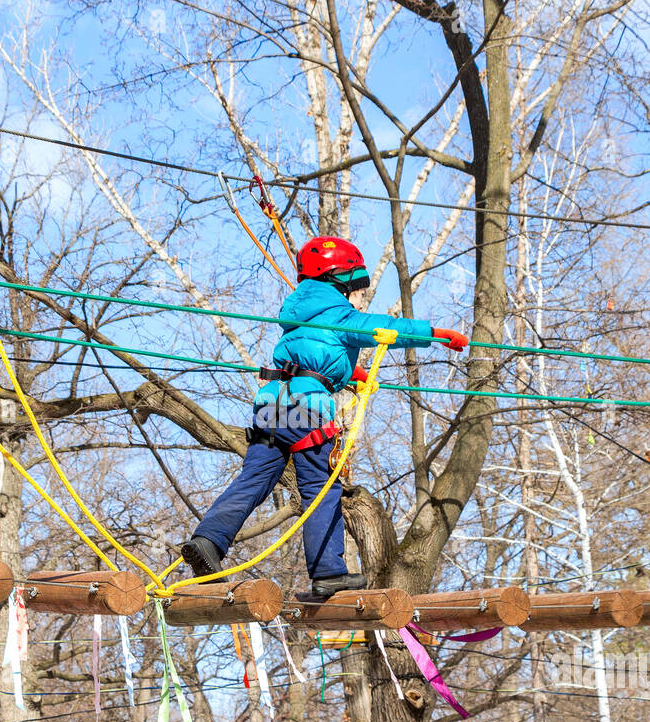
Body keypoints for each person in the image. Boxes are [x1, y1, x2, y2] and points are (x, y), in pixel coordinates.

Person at [180, 236, 469, 597]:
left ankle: (208, 540)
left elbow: (312, 356)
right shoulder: (341, 315)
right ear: (343, 283)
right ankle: (329, 571)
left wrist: (350, 375)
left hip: (271, 406)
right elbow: (385, 328)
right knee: (320, 488)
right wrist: (436, 334)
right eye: (360, 291)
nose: (362, 299)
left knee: (254, 479)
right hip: (307, 411)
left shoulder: (299, 318)